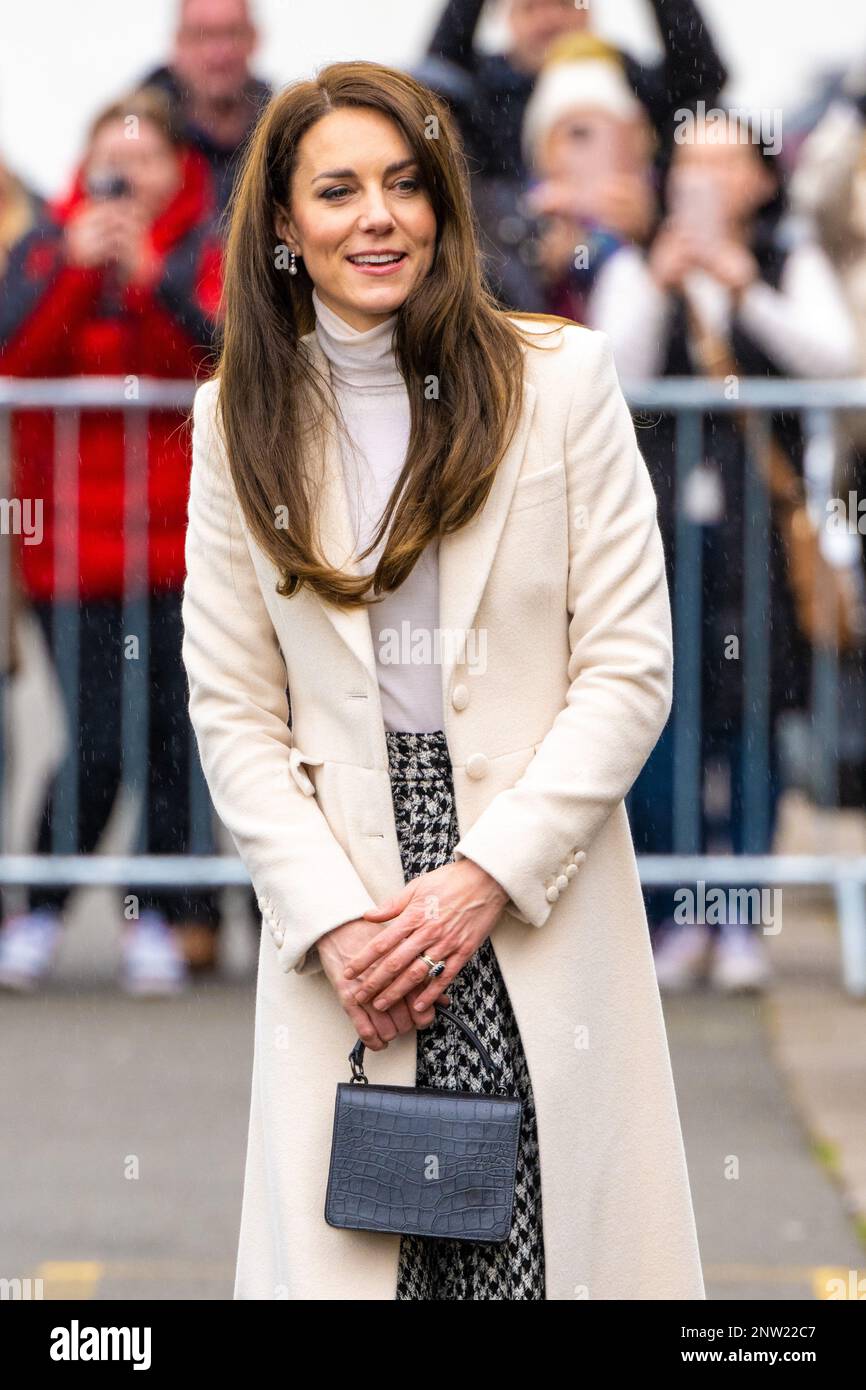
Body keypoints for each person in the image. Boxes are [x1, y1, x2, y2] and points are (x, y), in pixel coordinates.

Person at [181, 58, 704, 1300]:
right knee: (371, 1271)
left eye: (407, 184)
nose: (378, 216)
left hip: (531, 887)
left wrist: (481, 878)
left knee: (539, 1260)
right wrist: (335, 920)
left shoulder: (560, 381)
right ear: (282, 227)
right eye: (340, 189)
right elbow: (235, 709)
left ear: (444, 205)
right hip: (348, 917)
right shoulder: (232, 419)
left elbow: (628, 669)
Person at [601, 113, 860, 991]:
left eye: (724, 164)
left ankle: (742, 912)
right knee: (656, 716)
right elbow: (607, 380)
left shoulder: (789, 264)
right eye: (689, 164)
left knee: (751, 715)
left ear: (758, 179)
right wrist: (660, 276)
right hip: (655, 532)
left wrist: (746, 289)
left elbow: (837, 363)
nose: (704, 183)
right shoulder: (641, 264)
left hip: (757, 532)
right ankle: (672, 914)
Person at [0, 87, 222, 994]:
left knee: (173, 732)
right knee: (98, 733)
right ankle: (43, 909)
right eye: (110, 155)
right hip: (70, 551)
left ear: (176, 168)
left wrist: (153, 279)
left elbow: (216, 362)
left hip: (179, 547)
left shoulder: (205, 247)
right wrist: (75, 275)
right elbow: (16, 360)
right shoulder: (44, 248)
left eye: (146, 157)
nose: (127, 174)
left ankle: (158, 916)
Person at [420, 0, 727, 182]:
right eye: (531, 8)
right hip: (510, 261)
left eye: (564, 3)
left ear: (588, 11)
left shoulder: (624, 76)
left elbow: (701, 82)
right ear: (509, 19)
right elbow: (435, 82)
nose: (549, 20)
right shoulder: (483, 90)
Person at [138, 0, 272, 216]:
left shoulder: (283, 138)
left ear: (254, 39)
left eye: (232, 33)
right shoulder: (130, 137)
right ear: (178, 43)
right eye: (201, 36)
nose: (218, 53)